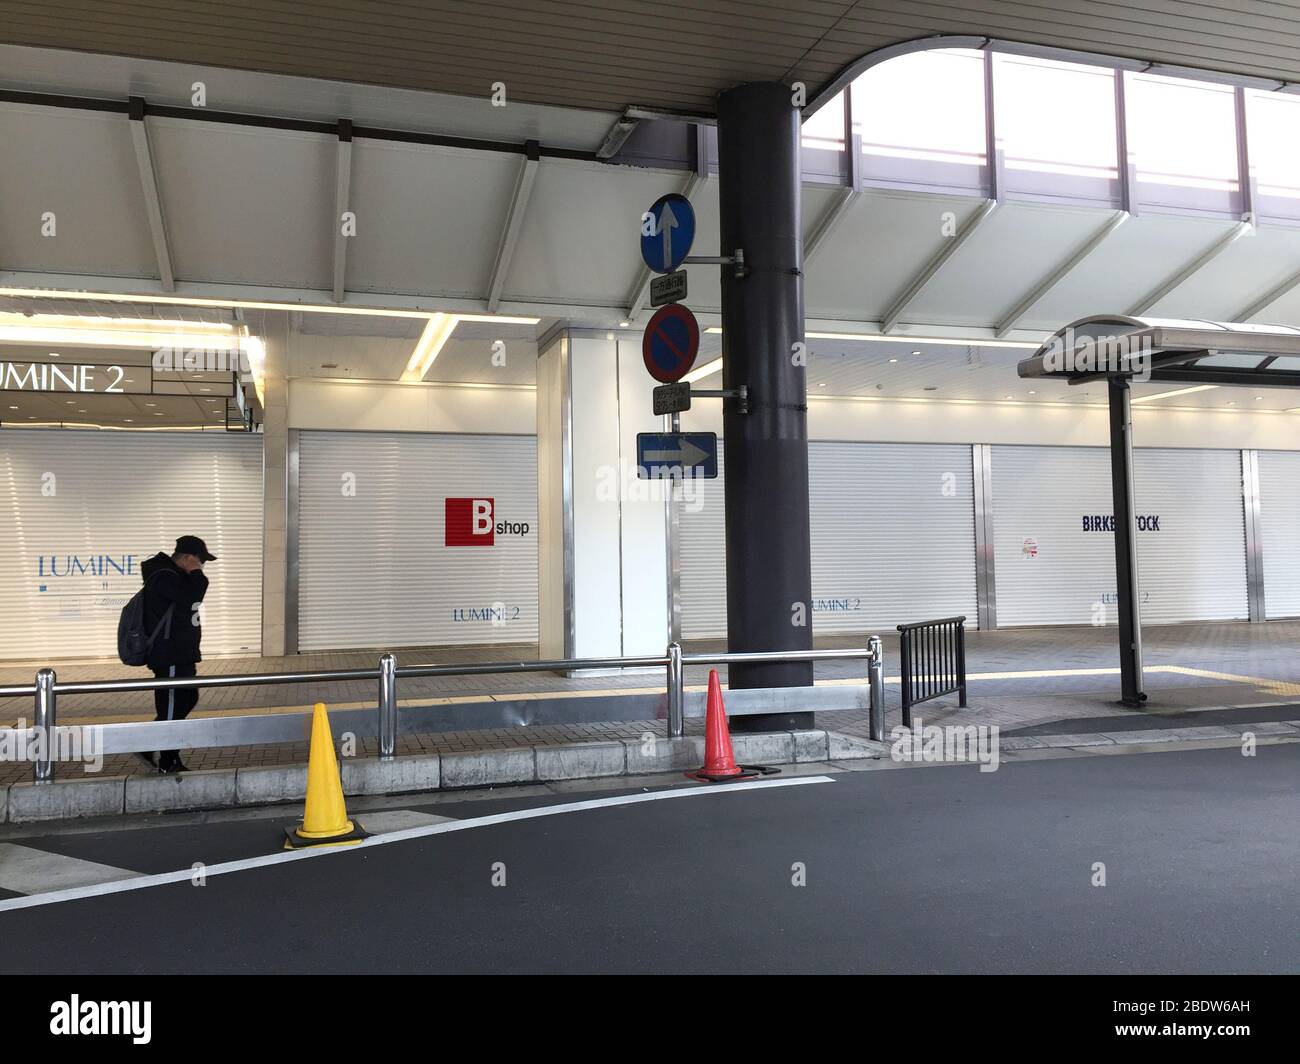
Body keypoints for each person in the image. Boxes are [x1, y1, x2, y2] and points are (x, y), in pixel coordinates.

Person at [138, 535, 214, 774]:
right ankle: (168, 761)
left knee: (188, 698)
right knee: (171, 706)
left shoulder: (173, 576)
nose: (202, 566)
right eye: (200, 561)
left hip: (181, 653)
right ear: (188, 557)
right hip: (169, 654)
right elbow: (192, 596)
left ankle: (146, 744)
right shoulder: (164, 576)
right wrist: (197, 573)